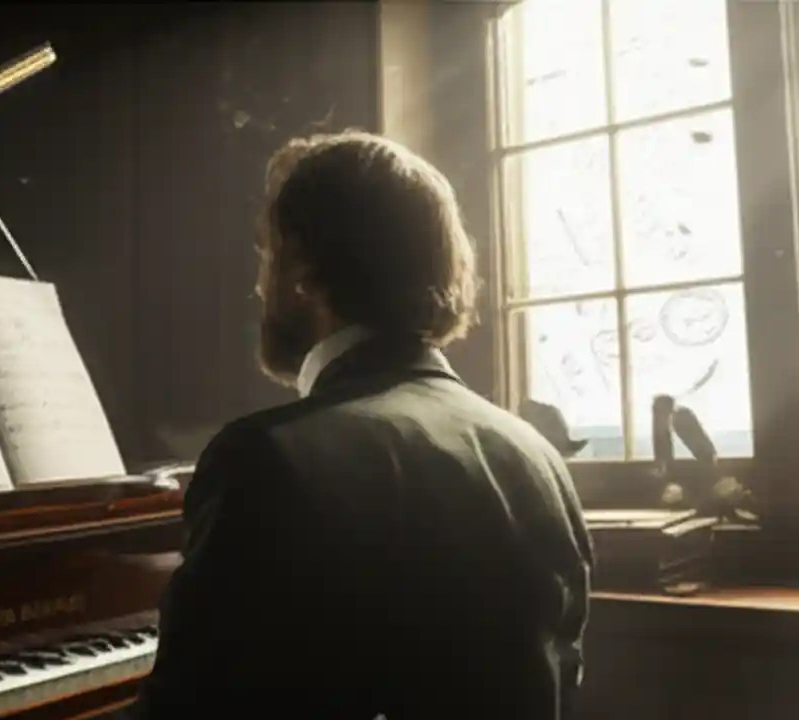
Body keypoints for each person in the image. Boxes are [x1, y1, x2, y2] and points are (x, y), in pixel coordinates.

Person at [139, 130, 593, 719]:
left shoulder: (267, 457)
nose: (258, 284)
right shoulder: (535, 456)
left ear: (300, 267)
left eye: (265, 255)